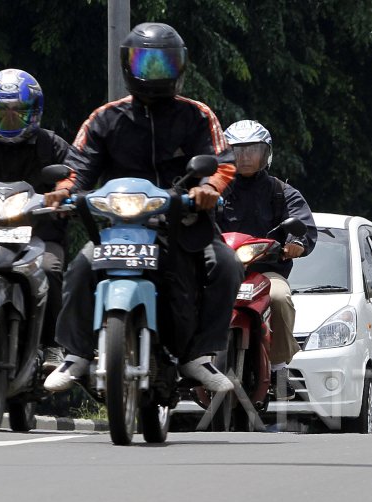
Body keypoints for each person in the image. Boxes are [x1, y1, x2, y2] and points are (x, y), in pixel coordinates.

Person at [43, 21, 240, 394]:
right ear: (127, 66)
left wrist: (209, 188)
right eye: (144, 64)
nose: (153, 74)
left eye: (162, 64)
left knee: (227, 267)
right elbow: (78, 167)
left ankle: (199, 356)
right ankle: (76, 355)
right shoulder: (105, 118)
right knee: (80, 268)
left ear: (179, 67)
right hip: (120, 227)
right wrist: (63, 192)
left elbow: (221, 162)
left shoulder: (197, 115)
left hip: (185, 223)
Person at [0, 69, 70, 378]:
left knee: (51, 270)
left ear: (34, 112)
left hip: (40, 238)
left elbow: (74, 178)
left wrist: (66, 194)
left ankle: (52, 346)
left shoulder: (53, 148)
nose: (9, 119)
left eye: (17, 113)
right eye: (1, 112)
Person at [216, 119, 317, 394]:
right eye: (238, 149)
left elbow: (304, 227)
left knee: (280, 298)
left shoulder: (281, 192)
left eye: (252, 149)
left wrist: (297, 242)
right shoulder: (214, 190)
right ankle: (189, 360)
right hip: (219, 269)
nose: (245, 156)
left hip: (266, 271)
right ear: (226, 154)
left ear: (266, 154)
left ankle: (278, 368)